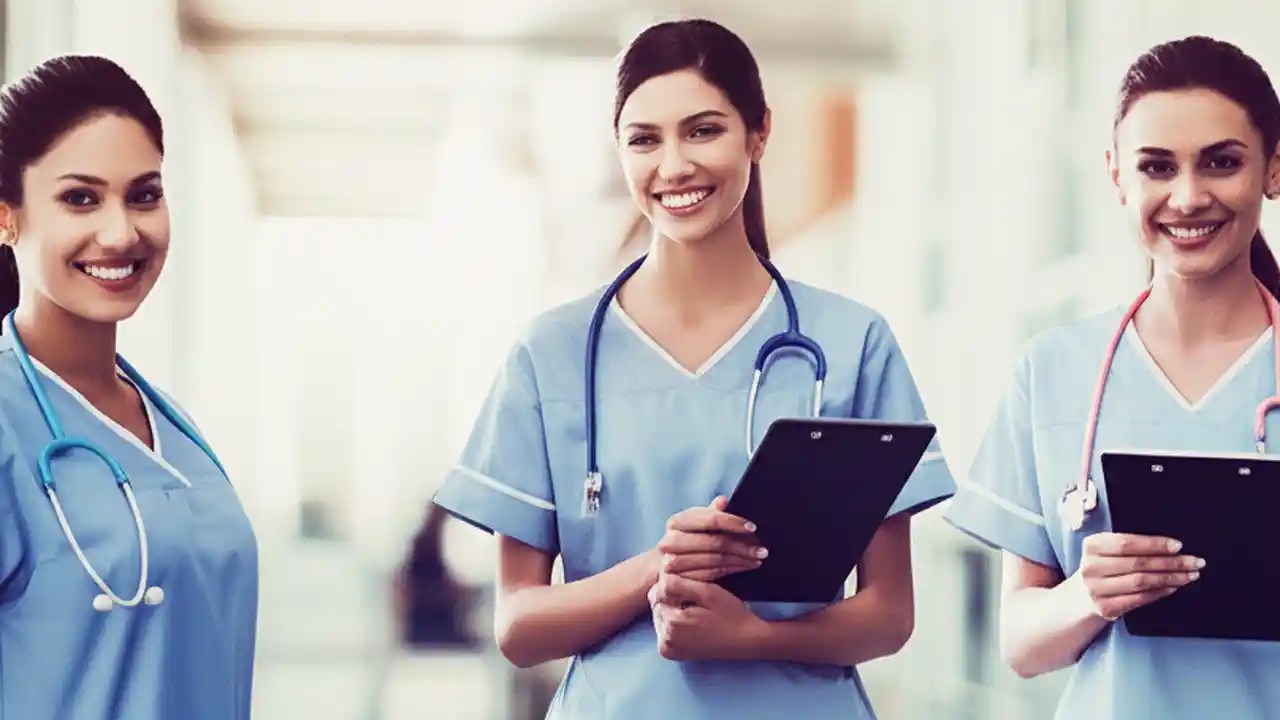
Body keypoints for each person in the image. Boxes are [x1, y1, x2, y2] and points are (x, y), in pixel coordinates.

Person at [432, 18, 955, 718]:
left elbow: (889, 615)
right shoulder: (549, 356)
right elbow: (519, 627)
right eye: (644, 139)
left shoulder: (852, 344)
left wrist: (750, 637)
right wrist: (658, 567)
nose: (673, 165)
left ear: (759, 133)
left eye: (703, 130)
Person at [944, 35, 1280, 719]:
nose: (1187, 197)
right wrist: (1088, 595)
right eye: (1156, 167)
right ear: (1116, 175)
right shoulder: (1054, 371)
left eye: (1221, 162)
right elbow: (1021, 644)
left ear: (1273, 169)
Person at [0, 56, 258, 718]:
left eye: (144, 194)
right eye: (80, 198)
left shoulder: (171, 427)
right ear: (7, 218)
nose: (121, 232)